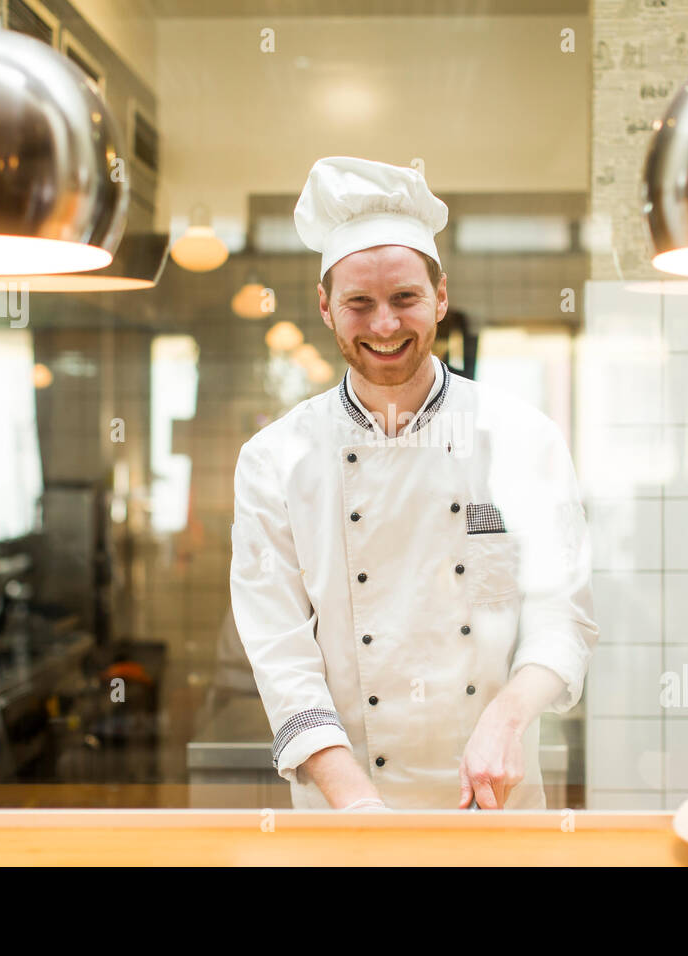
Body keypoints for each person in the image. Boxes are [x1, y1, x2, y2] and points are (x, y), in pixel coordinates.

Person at [229, 156, 599, 810]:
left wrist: (508, 716)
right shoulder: (274, 460)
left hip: (494, 802)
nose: (383, 326)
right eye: (358, 303)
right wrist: (362, 810)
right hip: (346, 812)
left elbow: (558, 615)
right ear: (324, 306)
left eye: (404, 298)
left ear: (441, 296)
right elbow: (282, 655)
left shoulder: (519, 436)